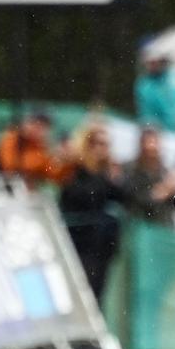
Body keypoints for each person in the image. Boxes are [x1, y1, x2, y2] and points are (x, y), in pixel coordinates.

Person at [58, 125, 126, 299]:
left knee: (97, 296)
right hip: (78, 245)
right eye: (99, 144)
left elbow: (124, 196)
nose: (104, 149)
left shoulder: (105, 174)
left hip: (100, 248)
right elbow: (81, 196)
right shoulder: (75, 171)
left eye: (106, 145)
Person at [122, 126, 175, 226]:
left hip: (163, 227)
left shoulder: (166, 171)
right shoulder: (129, 168)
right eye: (148, 143)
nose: (152, 147)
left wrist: (174, 190)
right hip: (138, 226)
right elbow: (135, 199)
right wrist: (163, 191)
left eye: (155, 142)